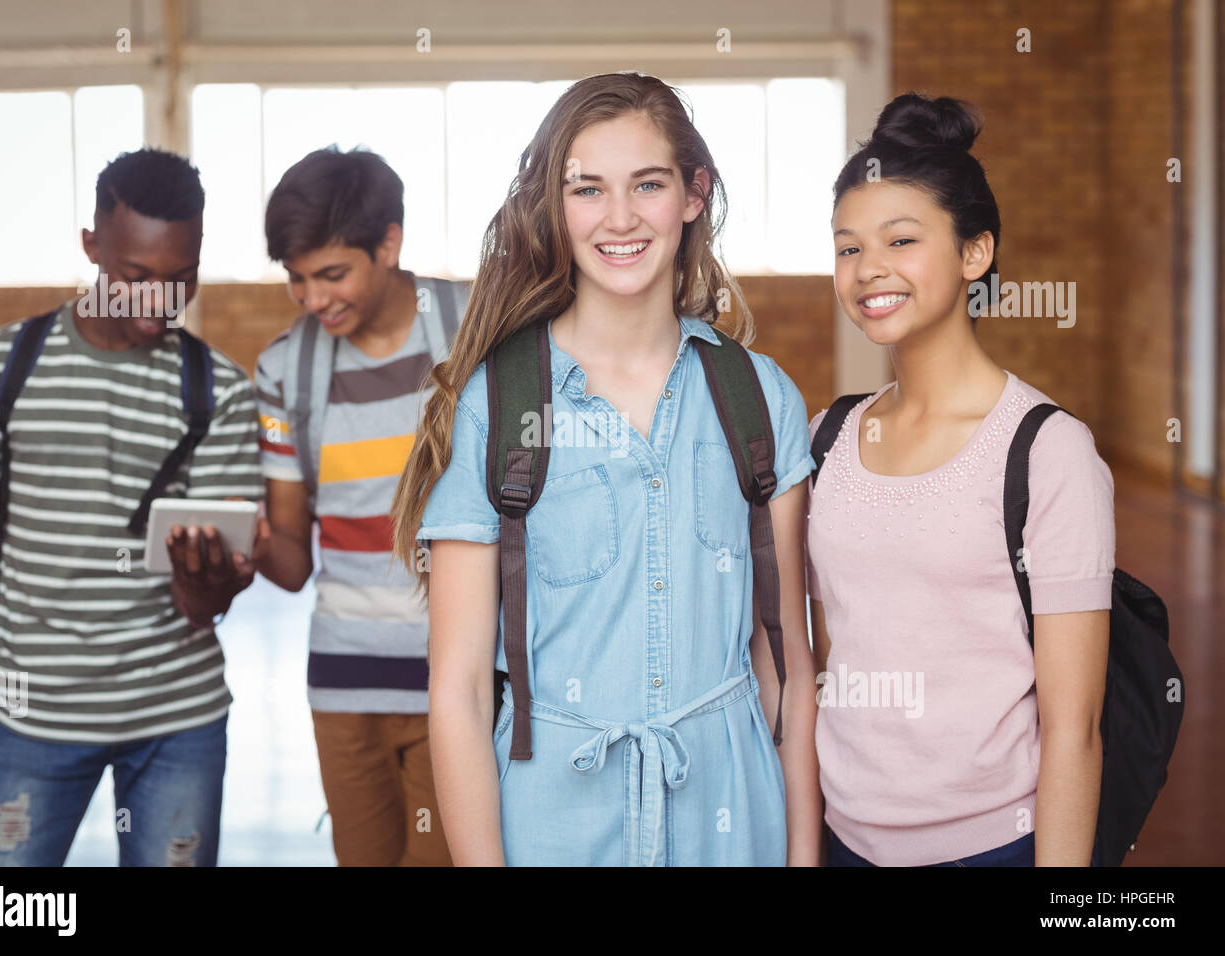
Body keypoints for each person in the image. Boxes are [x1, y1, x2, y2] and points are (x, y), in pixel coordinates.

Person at [391, 72, 821, 866]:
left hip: (730, 818)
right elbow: (455, 692)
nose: (619, 218)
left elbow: (786, 665)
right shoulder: (499, 403)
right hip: (553, 823)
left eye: (647, 185)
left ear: (693, 195)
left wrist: (800, 857)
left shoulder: (760, 397)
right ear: (555, 208)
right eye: (587, 189)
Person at [0, 147, 264, 866]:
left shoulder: (222, 393)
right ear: (92, 246)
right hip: (35, 716)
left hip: (178, 719)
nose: (159, 302)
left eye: (181, 280)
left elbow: (203, 607)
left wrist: (209, 580)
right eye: (135, 277)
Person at [810, 93, 1113, 867]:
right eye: (847, 248)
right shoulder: (829, 435)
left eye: (900, 240)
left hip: (990, 848)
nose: (867, 269)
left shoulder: (1048, 452)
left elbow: (1074, 729)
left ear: (975, 254)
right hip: (840, 836)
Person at [251, 146, 460, 866]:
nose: (314, 299)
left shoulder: (476, 331)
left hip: (457, 685)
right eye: (297, 280)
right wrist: (228, 549)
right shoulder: (285, 371)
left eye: (332, 274)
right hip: (344, 690)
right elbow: (288, 561)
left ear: (389, 243)